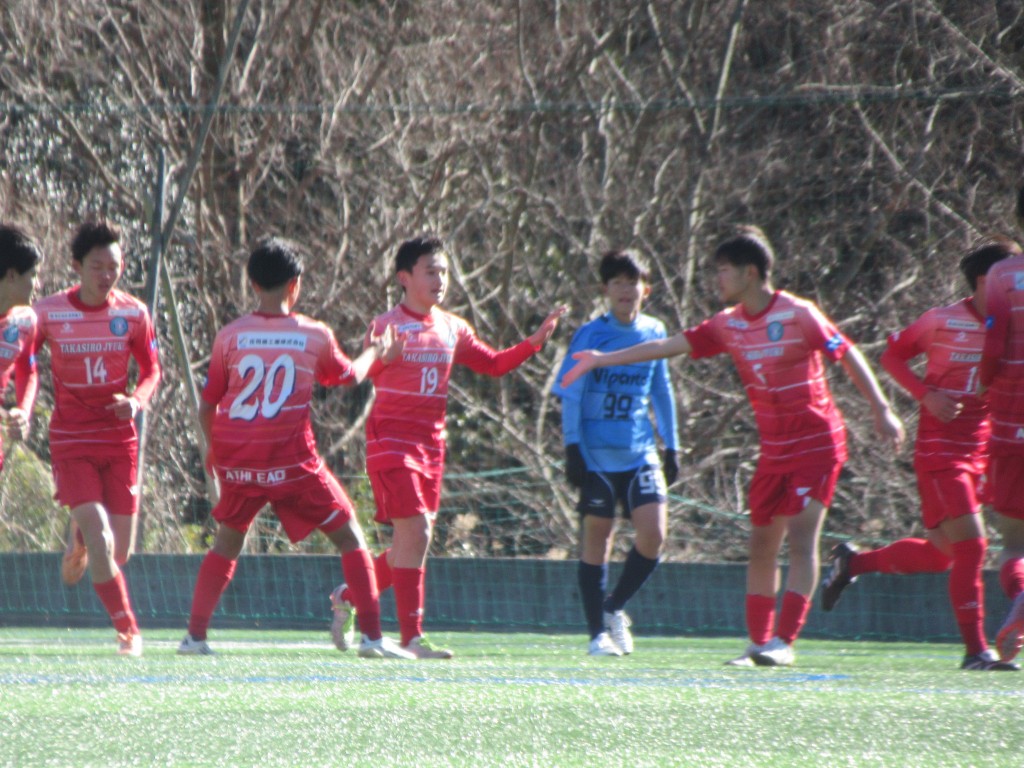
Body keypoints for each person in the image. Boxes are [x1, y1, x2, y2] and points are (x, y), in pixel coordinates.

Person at [560, 226, 904, 667]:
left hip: (817, 443)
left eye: (723, 270)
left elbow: (847, 353)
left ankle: (785, 641)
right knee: (761, 544)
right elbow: (666, 347)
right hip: (774, 449)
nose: (716, 279)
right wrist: (602, 359)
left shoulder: (799, 314)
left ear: (751, 272)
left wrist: (881, 407)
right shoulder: (728, 323)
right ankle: (758, 643)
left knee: (801, 539)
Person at [178, 237, 413, 659]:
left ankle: (194, 638)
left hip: (238, 459)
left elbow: (206, 406)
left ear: (251, 284)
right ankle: (373, 640)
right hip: (291, 462)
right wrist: (378, 352)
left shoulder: (230, 336)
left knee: (226, 543)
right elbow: (350, 375)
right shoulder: (312, 334)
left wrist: (215, 453)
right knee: (350, 536)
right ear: (296, 285)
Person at [345, 235, 566, 659]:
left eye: (444, 271)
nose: (440, 279)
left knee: (411, 544)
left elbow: (495, 364)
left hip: (432, 447)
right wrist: (380, 354)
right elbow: (368, 365)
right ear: (404, 278)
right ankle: (412, 637)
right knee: (419, 532)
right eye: (431, 271)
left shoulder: (453, 327)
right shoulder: (386, 324)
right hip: (392, 443)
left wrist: (535, 341)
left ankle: (350, 594)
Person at [821, 239, 1019, 671]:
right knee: (973, 545)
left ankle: (851, 562)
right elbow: (892, 355)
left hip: (986, 449)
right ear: (988, 280)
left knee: (941, 554)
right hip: (940, 450)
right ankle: (975, 651)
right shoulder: (942, 321)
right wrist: (926, 396)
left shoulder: (1012, 324)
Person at [32, 219, 161, 656]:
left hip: (118, 438)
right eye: (97, 267)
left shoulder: (132, 313)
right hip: (70, 439)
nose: (107, 276)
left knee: (117, 552)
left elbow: (152, 371)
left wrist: (137, 400)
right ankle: (128, 630)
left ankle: (81, 529)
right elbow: (22, 356)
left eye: (115, 267)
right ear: (77, 266)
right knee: (102, 537)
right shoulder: (48, 313)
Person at [551, 250, 680, 656]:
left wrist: (672, 444)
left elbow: (661, 391)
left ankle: (613, 607)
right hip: (596, 456)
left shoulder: (655, 331)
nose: (626, 290)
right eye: (617, 283)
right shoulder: (590, 335)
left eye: (633, 282)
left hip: (640, 452)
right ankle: (596, 635)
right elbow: (571, 392)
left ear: (647, 288)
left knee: (654, 534)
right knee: (597, 538)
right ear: (605, 290)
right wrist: (572, 446)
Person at [979, 226, 1024, 663]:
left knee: (1014, 543)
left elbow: (993, 345)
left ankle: (1021, 599)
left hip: (1011, 419)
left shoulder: (1002, 275)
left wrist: (981, 384)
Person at [0, 225, 41, 459]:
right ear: (12, 275)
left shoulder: (25, 322)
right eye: (33, 275)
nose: (38, 284)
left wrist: (23, 411)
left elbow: (28, 369)